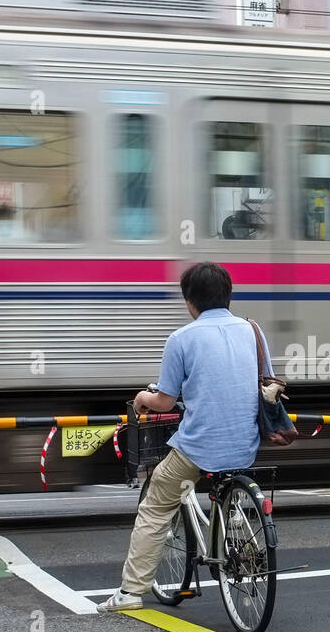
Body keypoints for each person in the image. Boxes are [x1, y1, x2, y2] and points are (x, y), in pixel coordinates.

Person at [98, 261, 270, 611]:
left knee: (156, 504)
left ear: (189, 301)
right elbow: (265, 381)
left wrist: (143, 399)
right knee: (227, 483)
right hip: (246, 443)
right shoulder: (253, 331)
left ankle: (130, 593)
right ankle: (238, 529)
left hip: (199, 448)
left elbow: (164, 399)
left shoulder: (181, 339)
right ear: (229, 295)